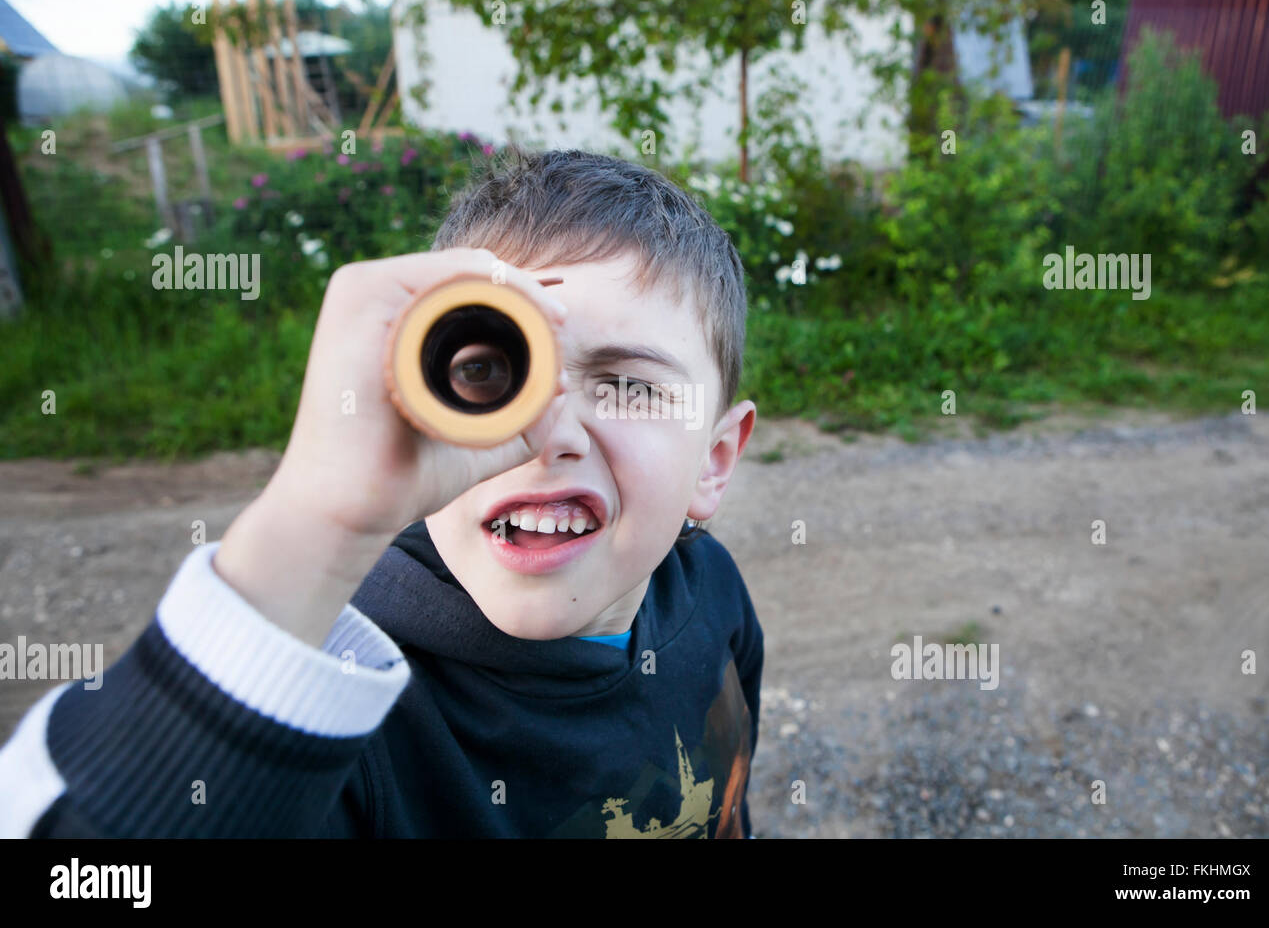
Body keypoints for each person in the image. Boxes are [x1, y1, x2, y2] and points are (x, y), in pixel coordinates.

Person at [0, 147, 763, 838]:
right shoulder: (342, 715)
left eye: (628, 385)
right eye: (494, 373)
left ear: (715, 459)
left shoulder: (714, 597)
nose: (550, 430)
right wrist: (318, 522)